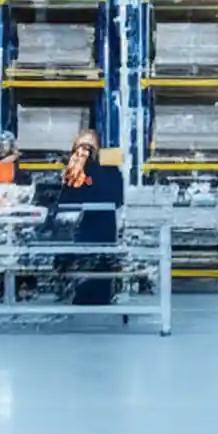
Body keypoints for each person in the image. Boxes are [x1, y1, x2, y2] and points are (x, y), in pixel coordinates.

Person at [58, 129, 123, 304]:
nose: (84, 152)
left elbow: (116, 197)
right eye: (81, 147)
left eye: (89, 147)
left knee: (99, 272)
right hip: (82, 230)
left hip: (101, 228)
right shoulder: (72, 170)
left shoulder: (108, 170)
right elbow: (66, 198)